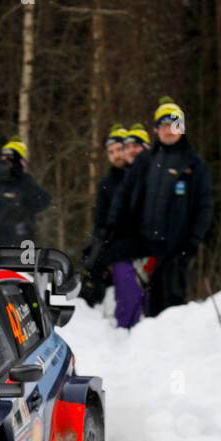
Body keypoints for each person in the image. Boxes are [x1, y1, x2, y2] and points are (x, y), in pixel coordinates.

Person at [106, 97, 213, 319]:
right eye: (164, 125)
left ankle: (172, 336)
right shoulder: (145, 160)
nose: (170, 130)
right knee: (146, 298)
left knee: (172, 301)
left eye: (175, 124)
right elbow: (124, 193)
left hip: (176, 245)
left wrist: (195, 238)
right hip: (145, 242)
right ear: (156, 129)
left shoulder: (194, 164)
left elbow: (204, 205)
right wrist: (114, 223)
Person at [79, 124, 127, 306]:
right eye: (111, 152)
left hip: (133, 240)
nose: (116, 155)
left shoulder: (139, 175)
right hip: (109, 239)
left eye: (119, 149)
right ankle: (89, 306)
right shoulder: (106, 184)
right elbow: (99, 219)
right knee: (91, 263)